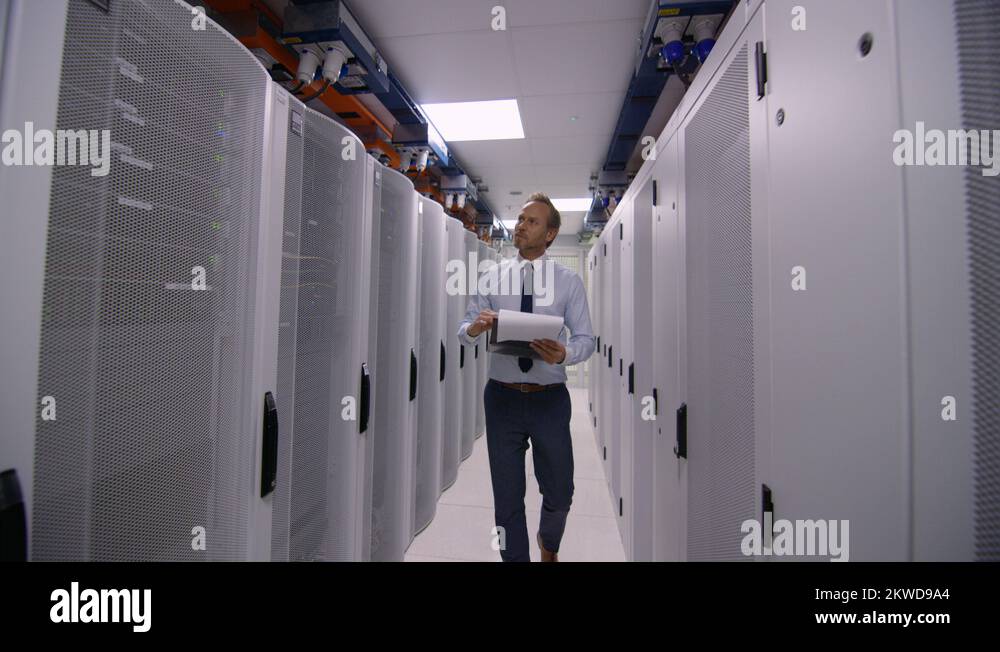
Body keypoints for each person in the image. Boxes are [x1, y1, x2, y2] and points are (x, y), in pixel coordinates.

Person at [458, 192, 596, 562]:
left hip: (549, 399)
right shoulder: (492, 276)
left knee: (560, 491)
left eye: (531, 221)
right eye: (520, 219)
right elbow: (462, 327)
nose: (521, 225)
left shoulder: (568, 282)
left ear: (549, 234)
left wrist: (565, 353)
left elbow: (586, 339)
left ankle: (548, 545)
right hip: (501, 399)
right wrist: (473, 328)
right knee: (506, 499)